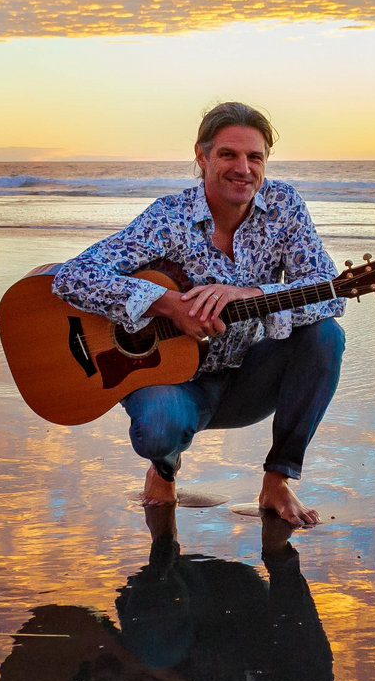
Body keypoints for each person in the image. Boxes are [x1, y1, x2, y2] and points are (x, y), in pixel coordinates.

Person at [51, 101, 345, 526]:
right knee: (158, 429)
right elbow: (73, 276)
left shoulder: (284, 206)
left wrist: (252, 293)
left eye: (255, 157)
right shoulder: (169, 218)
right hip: (170, 382)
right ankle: (164, 466)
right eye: (228, 154)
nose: (243, 168)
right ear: (202, 157)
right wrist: (168, 304)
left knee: (326, 335)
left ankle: (277, 481)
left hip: (247, 378)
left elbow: (330, 292)